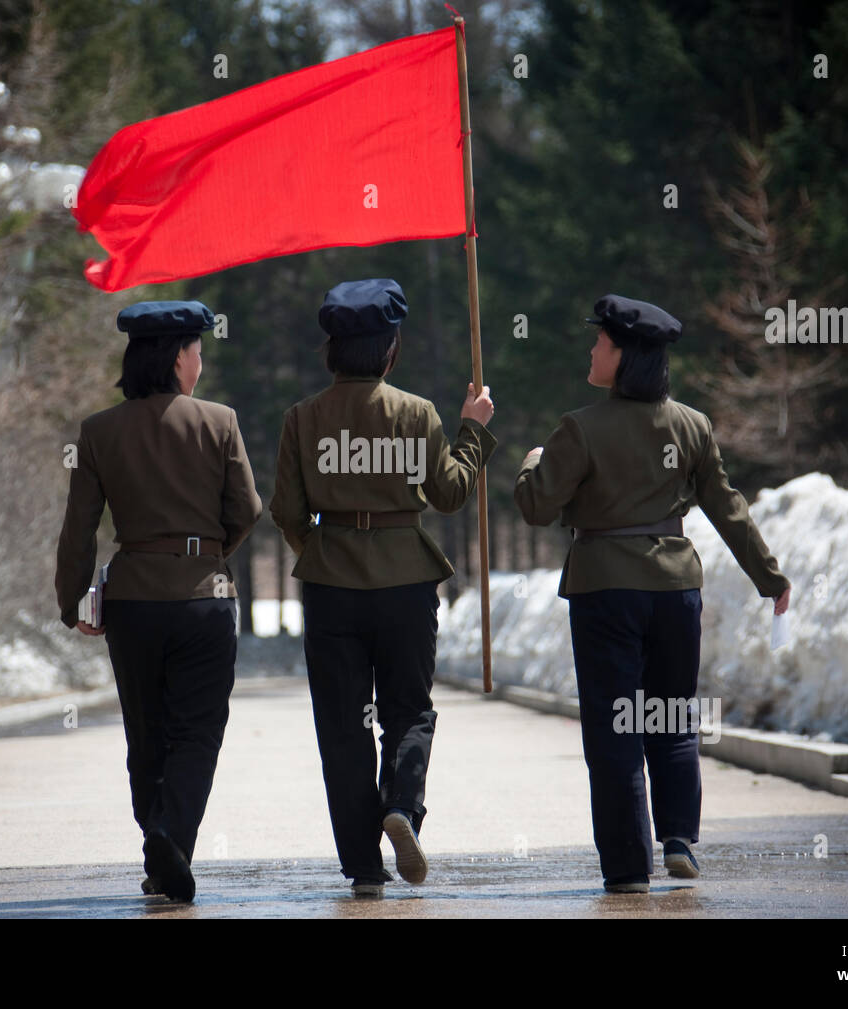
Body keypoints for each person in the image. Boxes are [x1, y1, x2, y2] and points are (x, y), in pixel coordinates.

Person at [514, 294, 791, 895]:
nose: (592, 350)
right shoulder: (693, 426)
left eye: (600, 343)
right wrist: (771, 578)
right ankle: (679, 841)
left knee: (614, 731)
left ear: (625, 356)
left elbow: (537, 507)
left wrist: (531, 465)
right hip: (674, 588)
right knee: (672, 718)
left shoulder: (579, 427)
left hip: (605, 588)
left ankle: (627, 868)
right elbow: (726, 507)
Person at [270, 278, 496, 898]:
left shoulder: (302, 419)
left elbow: (285, 510)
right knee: (409, 710)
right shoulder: (416, 412)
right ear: (389, 349)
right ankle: (402, 804)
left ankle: (363, 867)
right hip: (406, 580)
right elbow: (450, 494)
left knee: (342, 727)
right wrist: (473, 428)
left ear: (332, 351)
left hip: (331, 585)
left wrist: (320, 553)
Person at [54, 300, 262, 903]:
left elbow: (79, 528)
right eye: (197, 352)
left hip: (134, 602)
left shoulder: (99, 431)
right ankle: (170, 836)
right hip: (205, 599)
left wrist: (71, 603)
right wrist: (210, 553)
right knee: (197, 732)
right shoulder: (219, 421)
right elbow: (246, 510)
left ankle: (158, 844)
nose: (200, 363)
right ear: (178, 357)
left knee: (145, 733)